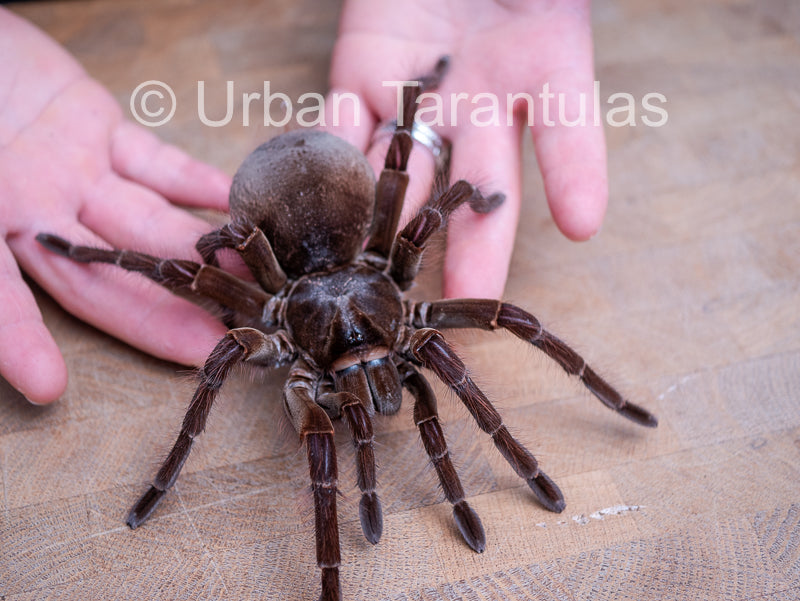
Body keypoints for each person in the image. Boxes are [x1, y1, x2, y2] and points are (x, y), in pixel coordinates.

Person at [0, 0, 606, 405]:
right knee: (170, 269)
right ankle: (77, 251)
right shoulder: (270, 294)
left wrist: (465, 192)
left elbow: (423, 192)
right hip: (287, 218)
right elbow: (183, 263)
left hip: (312, 217)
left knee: (407, 174)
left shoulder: (383, 275)